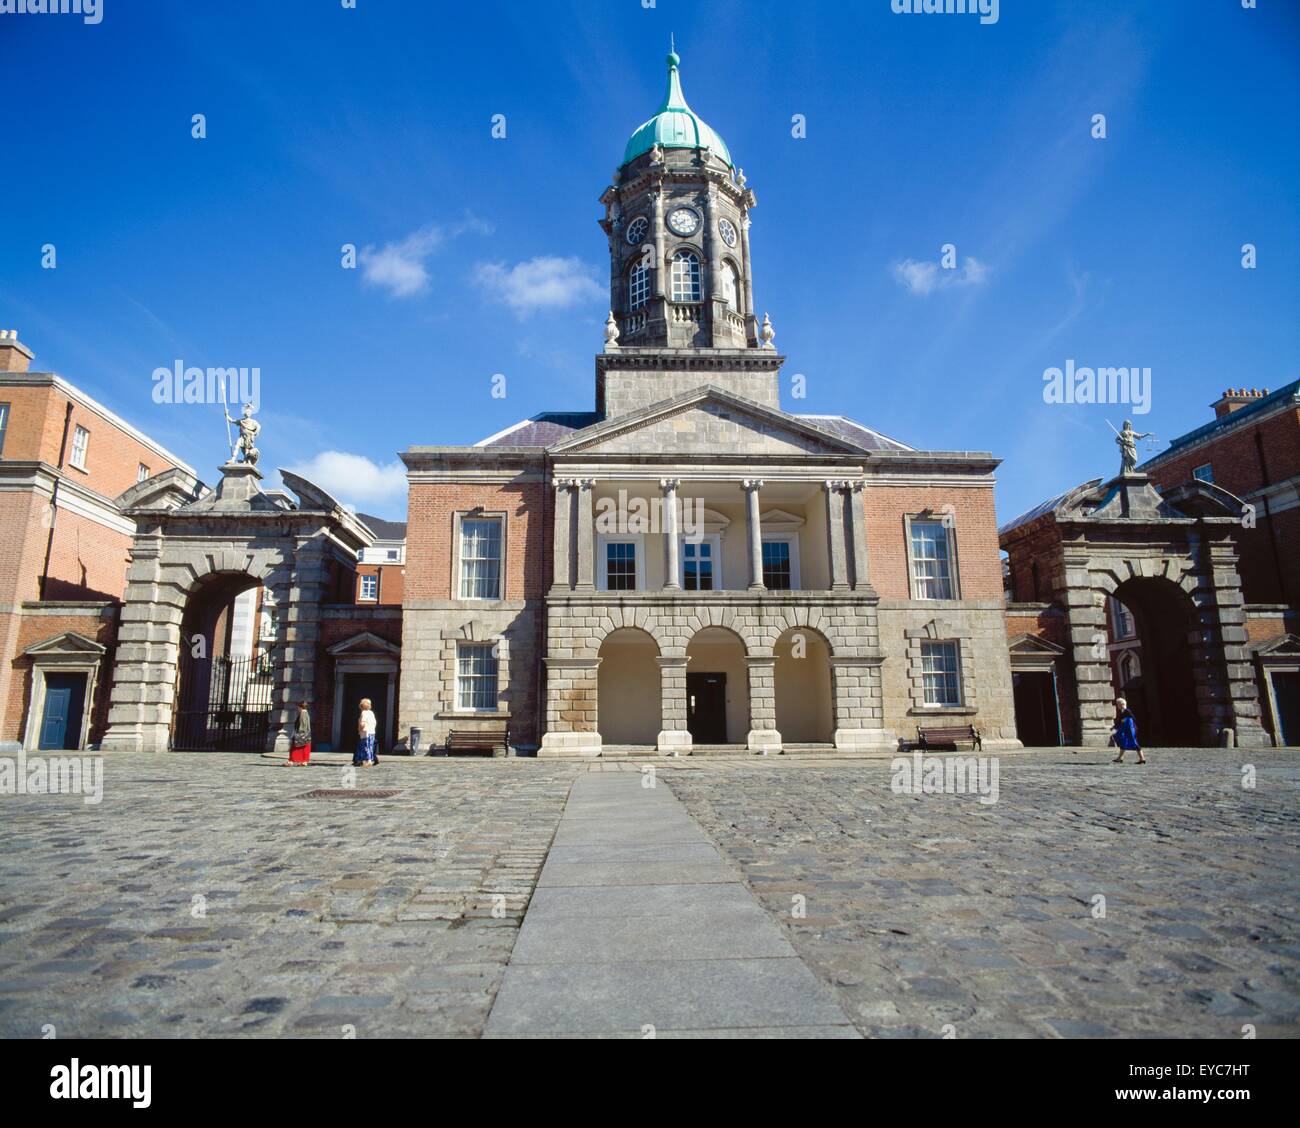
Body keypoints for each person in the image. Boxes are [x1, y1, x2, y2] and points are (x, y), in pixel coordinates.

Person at [1111, 697, 1146, 764]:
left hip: (1131, 730)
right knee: (1123, 742)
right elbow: (1119, 721)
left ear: (1121, 704)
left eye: (1118, 704)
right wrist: (1114, 727)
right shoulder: (1122, 712)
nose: (1117, 706)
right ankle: (1120, 758)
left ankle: (1142, 758)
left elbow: (1133, 718)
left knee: (1134, 742)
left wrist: (1125, 719)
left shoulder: (1127, 711)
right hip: (1126, 730)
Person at [354, 698, 378, 767]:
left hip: (365, 732)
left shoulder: (364, 713)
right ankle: (368, 760)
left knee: (364, 746)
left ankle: (367, 760)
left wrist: (359, 730)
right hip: (372, 732)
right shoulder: (371, 713)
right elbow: (375, 722)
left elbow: (362, 723)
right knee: (370, 747)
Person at [287, 700, 312, 766]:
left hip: (301, 733)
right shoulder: (306, 713)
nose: (297, 709)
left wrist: (299, 732)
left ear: (300, 707)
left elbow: (302, 724)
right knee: (304, 748)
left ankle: (291, 761)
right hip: (306, 734)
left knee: (295, 747)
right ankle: (304, 761)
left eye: (298, 707)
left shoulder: (303, 714)